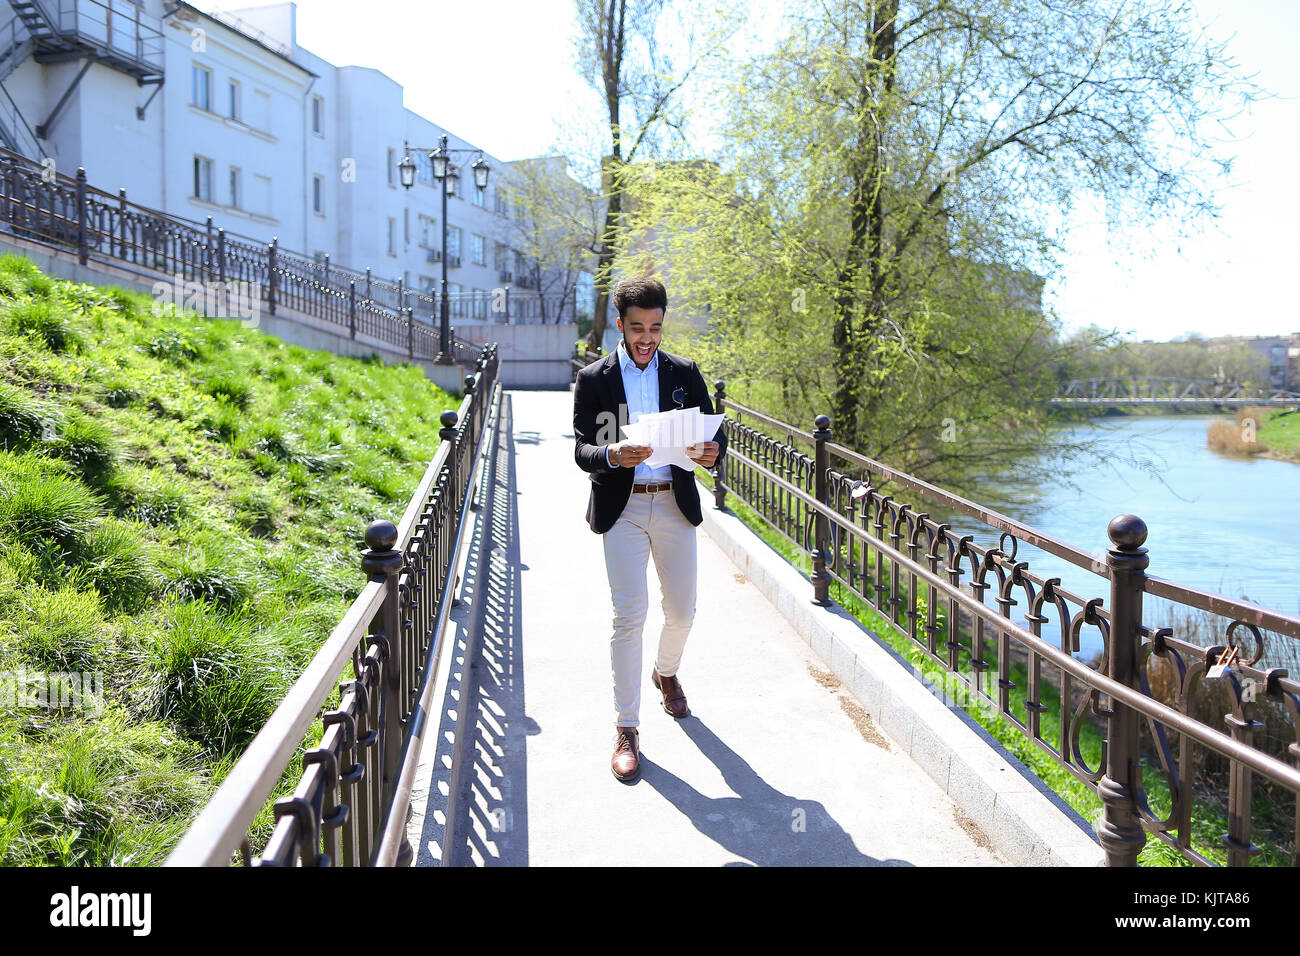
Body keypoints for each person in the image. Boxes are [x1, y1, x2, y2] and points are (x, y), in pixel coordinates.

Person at [572, 276, 726, 783]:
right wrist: (613, 453)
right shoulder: (596, 379)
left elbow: (711, 439)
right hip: (624, 510)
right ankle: (627, 728)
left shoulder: (684, 373)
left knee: (682, 611)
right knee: (629, 617)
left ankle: (666, 672)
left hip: (675, 505)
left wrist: (710, 453)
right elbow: (583, 452)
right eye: (637, 328)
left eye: (655, 327)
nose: (647, 337)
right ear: (621, 325)